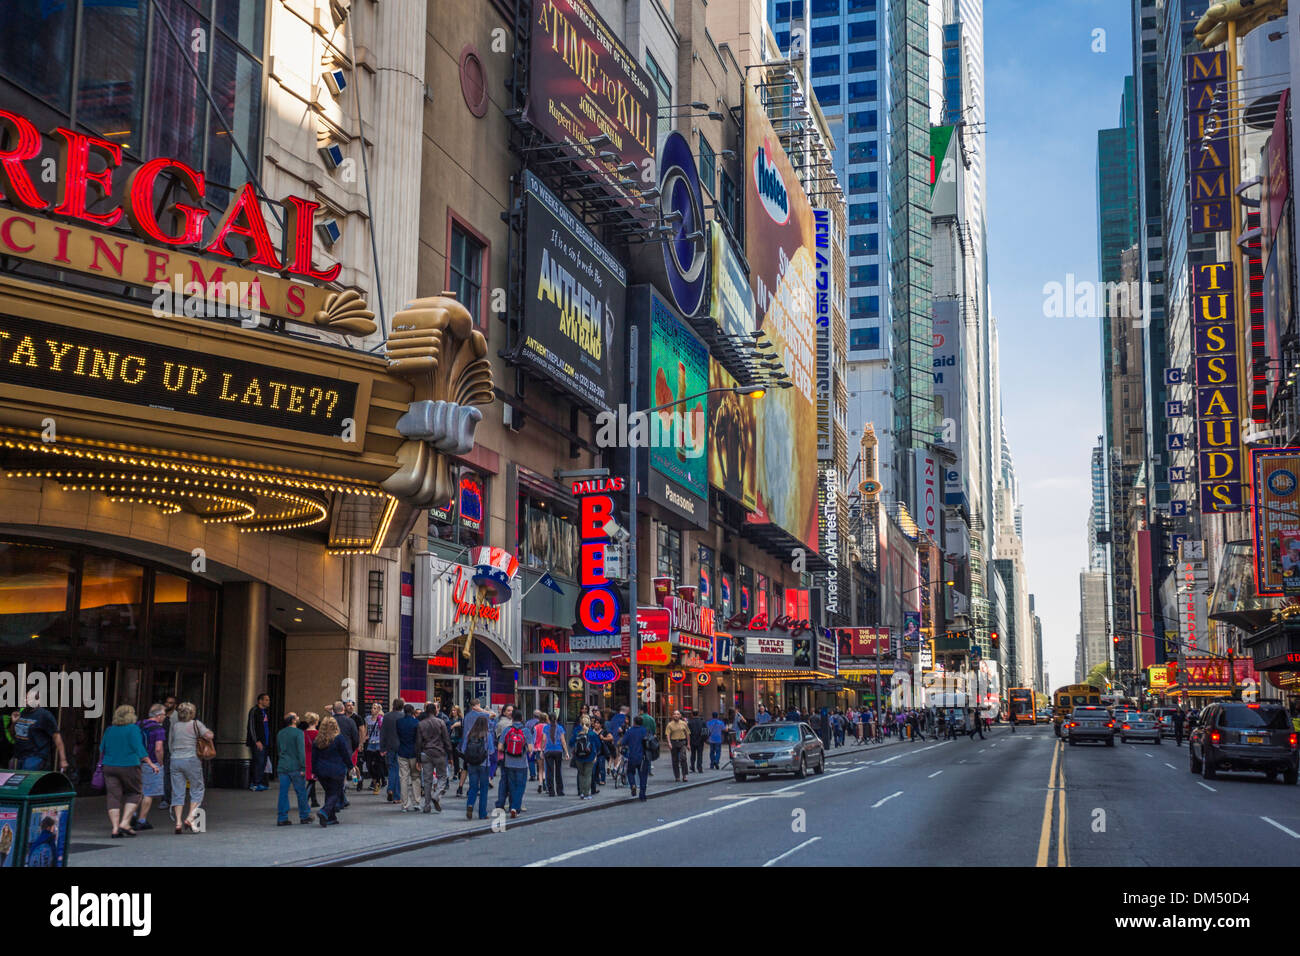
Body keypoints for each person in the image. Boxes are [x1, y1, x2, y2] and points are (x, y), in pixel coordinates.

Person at [100, 705, 158, 838]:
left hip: (109, 766)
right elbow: (139, 748)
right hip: (129, 765)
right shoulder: (133, 729)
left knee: (113, 796)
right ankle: (125, 823)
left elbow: (102, 747)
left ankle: (115, 828)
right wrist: (150, 763)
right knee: (135, 792)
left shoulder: (109, 730)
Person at [169, 702, 212, 833]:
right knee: (197, 788)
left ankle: (177, 822)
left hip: (175, 759)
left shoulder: (175, 726)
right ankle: (190, 817)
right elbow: (209, 736)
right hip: (191, 759)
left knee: (178, 791)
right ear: (192, 713)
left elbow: (170, 742)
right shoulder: (196, 724)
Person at [12, 690, 68, 772]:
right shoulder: (21, 712)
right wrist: (14, 723)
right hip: (20, 756)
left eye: (30, 699)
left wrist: (63, 759)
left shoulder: (44, 715)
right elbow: (13, 734)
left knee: (26, 781)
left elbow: (56, 736)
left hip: (35, 757)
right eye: (26, 698)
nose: (26, 701)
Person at [312, 716, 352, 827]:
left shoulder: (318, 739)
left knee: (329, 793)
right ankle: (324, 811)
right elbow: (345, 754)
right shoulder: (338, 738)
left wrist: (314, 771)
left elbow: (314, 757)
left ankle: (330, 817)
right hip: (336, 770)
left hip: (321, 771)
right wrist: (350, 766)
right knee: (336, 793)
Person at [134, 704, 167, 830]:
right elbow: (158, 749)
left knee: (137, 791)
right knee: (148, 792)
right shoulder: (158, 729)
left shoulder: (138, 725)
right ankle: (142, 820)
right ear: (158, 716)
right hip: (151, 762)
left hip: (136, 761)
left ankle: (132, 815)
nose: (164, 717)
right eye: (164, 714)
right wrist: (160, 763)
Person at [275, 713, 312, 826]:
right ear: (293, 721)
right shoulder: (299, 733)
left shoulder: (280, 733)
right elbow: (301, 751)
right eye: (296, 716)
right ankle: (304, 816)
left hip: (283, 766)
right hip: (296, 766)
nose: (298, 717)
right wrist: (303, 767)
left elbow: (279, 749)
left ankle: (282, 817)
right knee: (301, 792)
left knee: (283, 793)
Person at [417, 702, 452, 813]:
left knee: (427, 781)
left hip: (426, 753)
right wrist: (450, 755)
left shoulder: (421, 724)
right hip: (439, 753)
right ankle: (436, 795)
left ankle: (427, 806)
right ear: (436, 711)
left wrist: (418, 759)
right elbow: (446, 740)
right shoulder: (441, 722)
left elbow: (418, 742)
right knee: (443, 776)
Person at [496, 710, 531, 817]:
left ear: (512, 719)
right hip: (521, 763)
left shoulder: (507, 730)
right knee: (520, 786)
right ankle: (515, 807)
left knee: (511, 785)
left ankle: (512, 806)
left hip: (509, 762)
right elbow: (530, 748)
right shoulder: (526, 731)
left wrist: (507, 749)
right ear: (521, 719)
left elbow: (500, 747)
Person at [462, 709, 492, 820]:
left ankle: (470, 804)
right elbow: (491, 750)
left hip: (471, 764)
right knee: (484, 789)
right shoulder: (487, 735)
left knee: (473, 787)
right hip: (484, 764)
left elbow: (464, 749)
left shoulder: (469, 734)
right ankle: (482, 813)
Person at [395, 703, 422, 811]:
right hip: (414, 753)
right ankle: (417, 801)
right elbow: (418, 740)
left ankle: (405, 804)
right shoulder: (416, 723)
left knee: (403, 778)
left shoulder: (399, 722)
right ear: (413, 712)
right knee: (415, 778)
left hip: (402, 752)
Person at [246, 692, 273, 790]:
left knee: (263, 762)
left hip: (265, 742)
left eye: (268, 700)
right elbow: (251, 727)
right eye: (266, 700)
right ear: (260, 701)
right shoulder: (254, 711)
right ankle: (255, 783)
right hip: (258, 742)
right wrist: (256, 741)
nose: (268, 702)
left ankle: (261, 782)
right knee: (258, 762)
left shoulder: (265, 712)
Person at [381, 698, 406, 804]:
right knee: (399, 771)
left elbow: (383, 733)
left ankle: (390, 788)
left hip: (390, 746)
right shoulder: (404, 716)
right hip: (401, 746)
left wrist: (382, 748)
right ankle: (397, 796)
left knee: (392, 769)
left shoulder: (386, 716)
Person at [622, 715, 650, 800]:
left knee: (630, 772)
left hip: (632, 756)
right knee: (643, 776)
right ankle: (642, 795)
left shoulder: (630, 731)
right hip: (643, 756)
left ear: (634, 722)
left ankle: (633, 784)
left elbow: (623, 742)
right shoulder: (645, 731)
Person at [542, 712, 570, 796]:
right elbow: (563, 741)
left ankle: (551, 791)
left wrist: (541, 750)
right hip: (558, 750)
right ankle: (560, 790)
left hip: (548, 751)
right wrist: (566, 752)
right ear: (556, 718)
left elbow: (544, 739)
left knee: (549, 771)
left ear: (548, 719)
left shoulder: (546, 728)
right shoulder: (560, 728)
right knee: (558, 771)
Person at [574, 714, 600, 798]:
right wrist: (595, 754)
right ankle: (586, 794)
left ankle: (581, 792)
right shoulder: (592, 734)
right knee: (588, 775)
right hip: (590, 757)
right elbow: (598, 745)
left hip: (578, 757)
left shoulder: (576, 732)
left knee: (581, 774)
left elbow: (571, 742)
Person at [363, 702, 385, 794]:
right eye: (372, 707)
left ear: (379, 710)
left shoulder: (382, 719)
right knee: (368, 764)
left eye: (375, 708)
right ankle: (375, 779)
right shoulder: (367, 719)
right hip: (370, 744)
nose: (372, 709)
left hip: (379, 744)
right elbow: (366, 730)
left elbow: (384, 732)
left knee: (378, 764)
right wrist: (363, 739)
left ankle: (377, 784)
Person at [301, 712, 320, 808]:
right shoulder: (318, 733)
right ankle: (304, 800)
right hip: (315, 759)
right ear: (316, 722)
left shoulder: (303, 733)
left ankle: (314, 800)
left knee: (312, 779)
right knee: (312, 780)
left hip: (306, 757)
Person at [666, 710, 690, 782]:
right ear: (673, 716)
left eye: (677, 714)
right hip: (674, 742)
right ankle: (677, 776)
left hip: (682, 742)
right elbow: (668, 734)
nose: (676, 715)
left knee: (683, 758)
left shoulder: (684, 724)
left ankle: (684, 775)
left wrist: (688, 744)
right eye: (674, 714)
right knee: (675, 760)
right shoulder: (670, 724)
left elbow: (687, 734)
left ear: (680, 716)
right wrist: (669, 743)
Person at [524, 709, 542, 782]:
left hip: (530, 743)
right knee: (539, 760)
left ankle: (532, 775)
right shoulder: (542, 723)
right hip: (539, 744)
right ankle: (539, 774)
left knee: (530, 760)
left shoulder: (528, 722)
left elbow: (525, 733)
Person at [687, 710, 707, 775]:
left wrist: (688, 742)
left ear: (692, 714)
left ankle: (692, 766)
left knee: (693, 754)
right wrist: (704, 740)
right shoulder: (703, 722)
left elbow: (688, 733)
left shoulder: (690, 722)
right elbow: (705, 732)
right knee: (700, 754)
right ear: (698, 714)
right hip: (700, 741)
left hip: (692, 741)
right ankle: (699, 767)